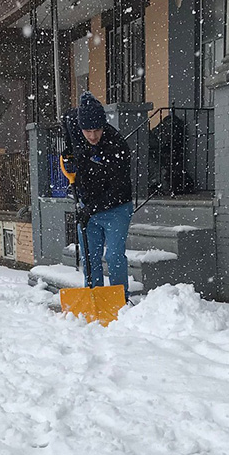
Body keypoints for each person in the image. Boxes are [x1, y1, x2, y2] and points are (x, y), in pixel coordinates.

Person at [64, 91, 134, 299]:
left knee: (113, 256)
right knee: (89, 257)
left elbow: (118, 190)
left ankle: (120, 300)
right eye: (88, 131)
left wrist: (90, 209)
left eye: (97, 130)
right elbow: (67, 119)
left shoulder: (117, 146)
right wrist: (67, 153)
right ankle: (94, 299)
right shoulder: (75, 127)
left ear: (104, 126)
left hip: (116, 209)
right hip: (88, 207)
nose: (93, 136)